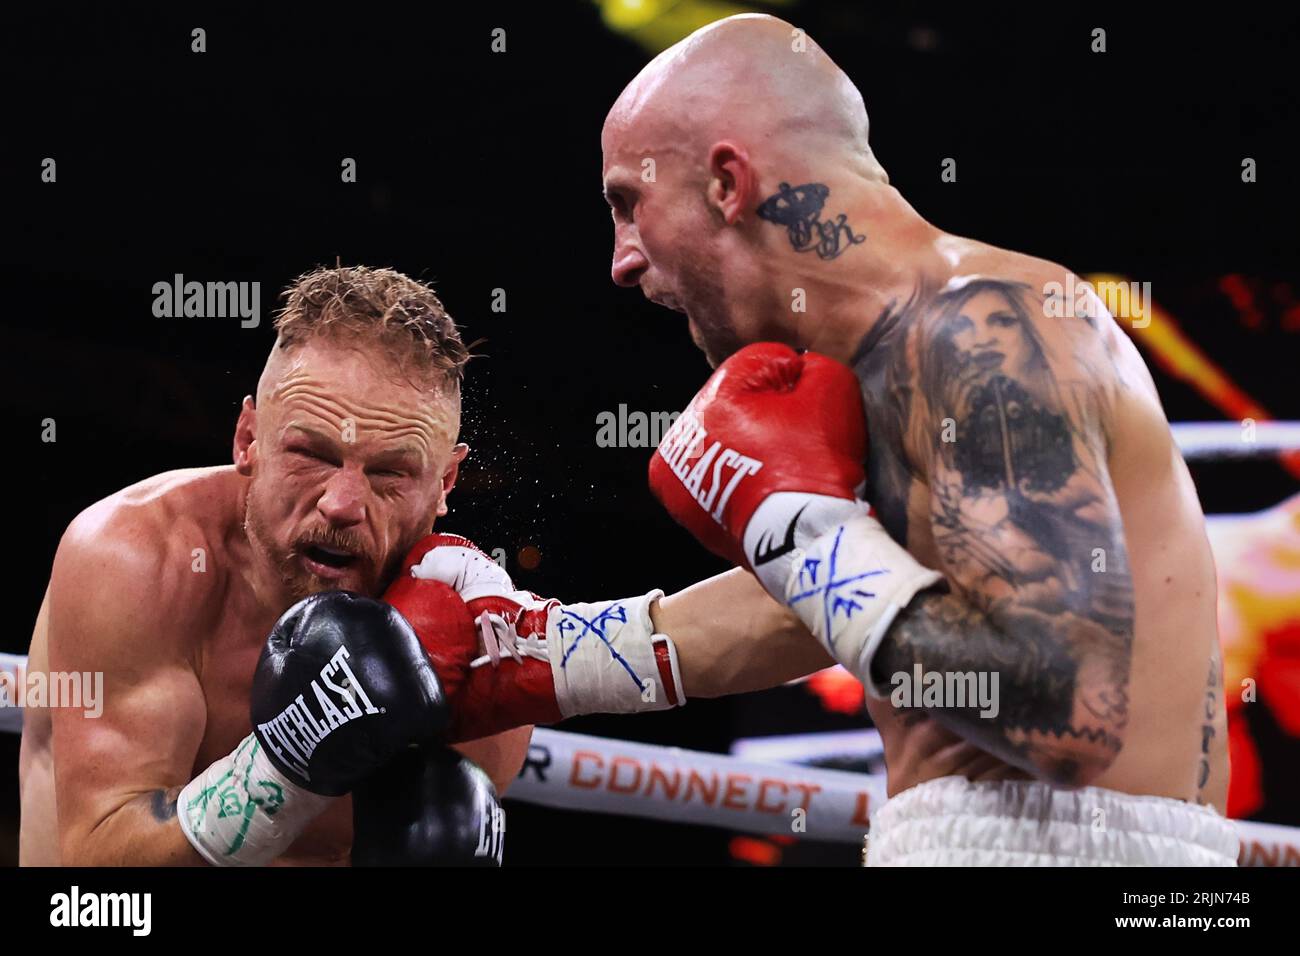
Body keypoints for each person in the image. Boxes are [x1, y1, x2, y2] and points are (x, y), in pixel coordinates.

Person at [408, 13, 1237, 865]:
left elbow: (1066, 709)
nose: (622, 261)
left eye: (629, 204)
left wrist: (798, 533)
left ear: (728, 183)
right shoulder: (894, 371)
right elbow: (830, 606)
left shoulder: (981, 329)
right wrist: (540, 657)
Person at [19, 266, 526, 865]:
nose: (342, 505)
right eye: (310, 454)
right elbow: (100, 866)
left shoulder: (474, 651)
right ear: (247, 439)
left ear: (445, 483)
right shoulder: (137, 560)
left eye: (391, 473)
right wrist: (289, 760)